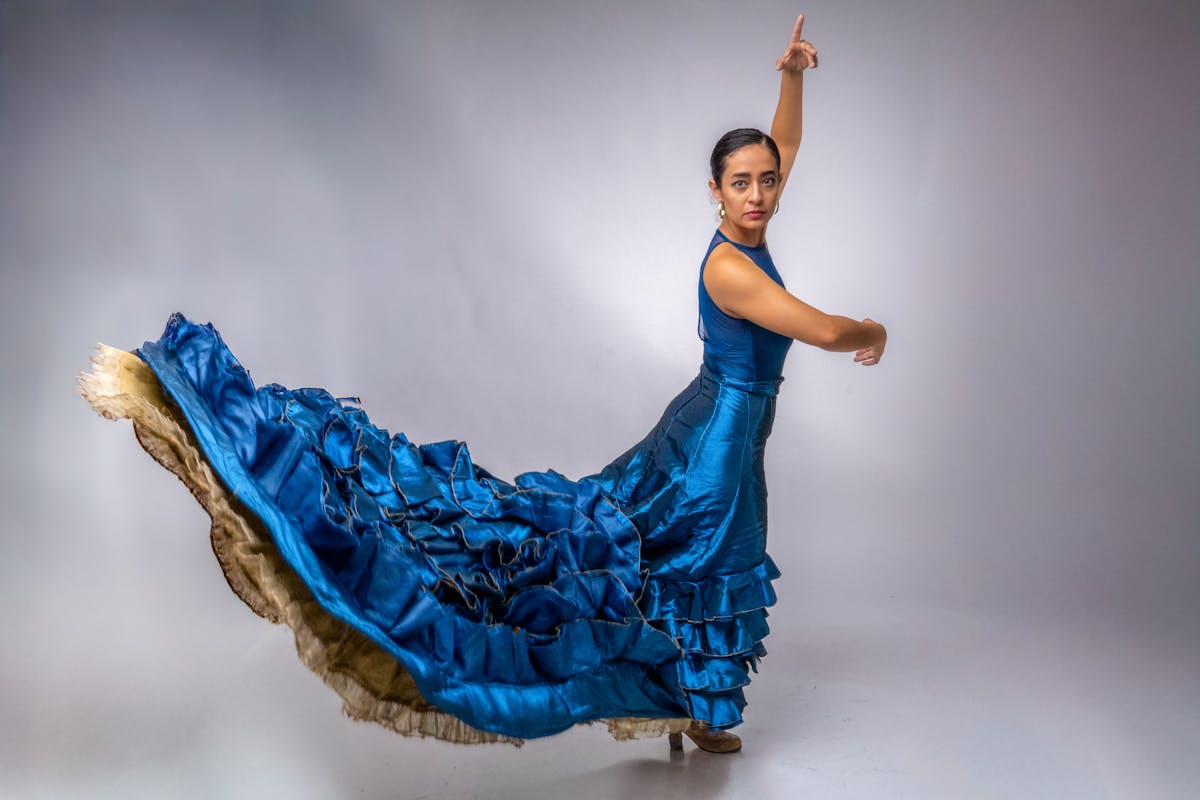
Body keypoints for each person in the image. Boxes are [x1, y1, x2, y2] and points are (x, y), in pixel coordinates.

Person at [78, 13, 885, 755]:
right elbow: (815, 327)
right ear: (713, 191)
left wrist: (792, 78)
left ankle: (694, 704)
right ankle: (691, 707)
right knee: (702, 553)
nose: (756, 195)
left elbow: (785, 144)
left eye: (766, 182)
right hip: (717, 438)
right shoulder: (730, 268)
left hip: (719, 423)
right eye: (739, 183)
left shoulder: (751, 225)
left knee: (681, 555)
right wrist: (871, 332)